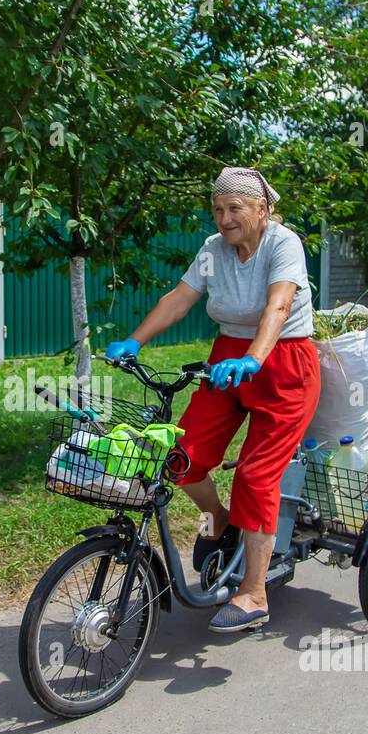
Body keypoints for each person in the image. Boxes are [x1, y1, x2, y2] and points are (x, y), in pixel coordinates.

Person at [104, 166, 321, 633]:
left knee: (256, 474)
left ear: (261, 210)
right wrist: (135, 340)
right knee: (182, 456)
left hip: (282, 364)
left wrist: (255, 357)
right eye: (218, 209)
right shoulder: (212, 250)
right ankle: (219, 520)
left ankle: (254, 593)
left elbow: (278, 307)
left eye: (234, 208)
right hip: (227, 360)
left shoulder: (284, 244)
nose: (224, 219)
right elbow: (179, 299)